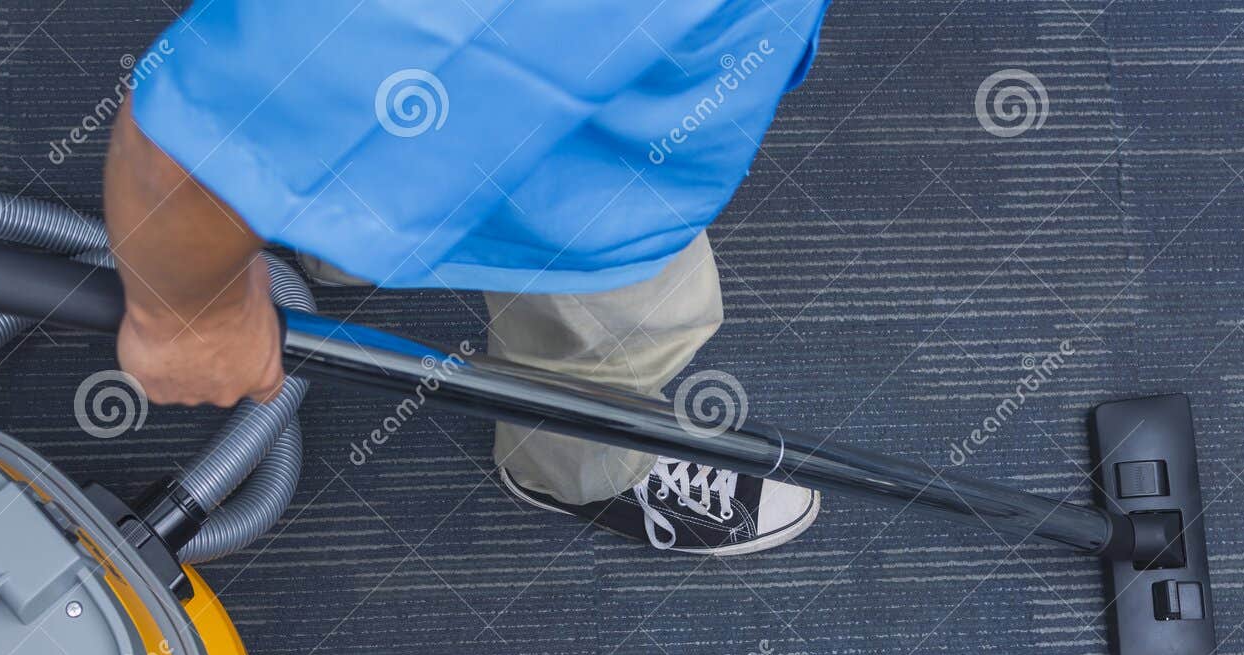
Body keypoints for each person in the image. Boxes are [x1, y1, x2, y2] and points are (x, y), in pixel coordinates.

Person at [105, 0, 832, 555]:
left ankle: (322, 236)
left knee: (344, 138)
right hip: (591, 180)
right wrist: (186, 316)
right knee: (641, 324)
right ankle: (576, 469)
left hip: (536, 94)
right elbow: (202, 132)